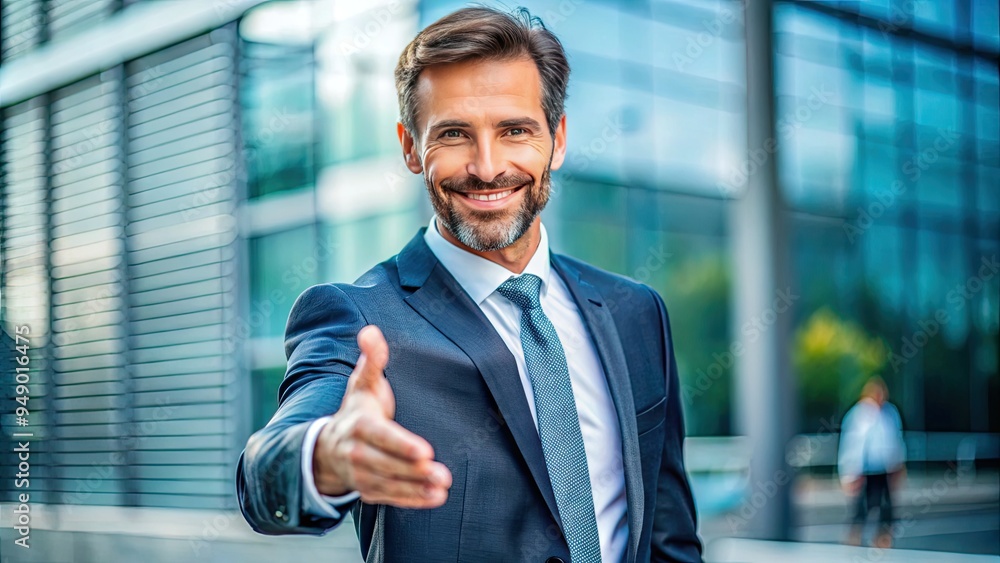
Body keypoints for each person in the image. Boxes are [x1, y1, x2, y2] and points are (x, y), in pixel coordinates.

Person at [236, 6, 702, 562]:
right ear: (410, 147)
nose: (486, 167)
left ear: (557, 139)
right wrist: (327, 456)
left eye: (515, 131)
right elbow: (266, 470)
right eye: (454, 134)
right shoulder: (358, 321)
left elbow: (668, 536)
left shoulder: (636, 312)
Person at [837, 376, 906, 549]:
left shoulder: (890, 413)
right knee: (861, 505)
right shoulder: (858, 415)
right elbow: (851, 444)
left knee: (886, 505)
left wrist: (898, 465)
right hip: (864, 469)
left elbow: (896, 441)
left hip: (884, 468)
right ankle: (855, 536)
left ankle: (883, 538)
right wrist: (848, 471)